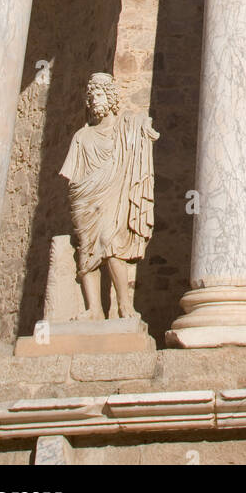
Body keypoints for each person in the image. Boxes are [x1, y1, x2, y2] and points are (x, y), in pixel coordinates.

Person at [60, 72, 159, 321]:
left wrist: (143, 127)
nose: (95, 101)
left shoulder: (125, 125)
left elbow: (140, 128)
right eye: (92, 97)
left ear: (111, 97)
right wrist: (81, 194)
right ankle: (93, 309)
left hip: (113, 194)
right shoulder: (81, 136)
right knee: (87, 252)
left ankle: (124, 306)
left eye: (100, 94)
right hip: (86, 199)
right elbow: (72, 174)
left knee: (112, 243)